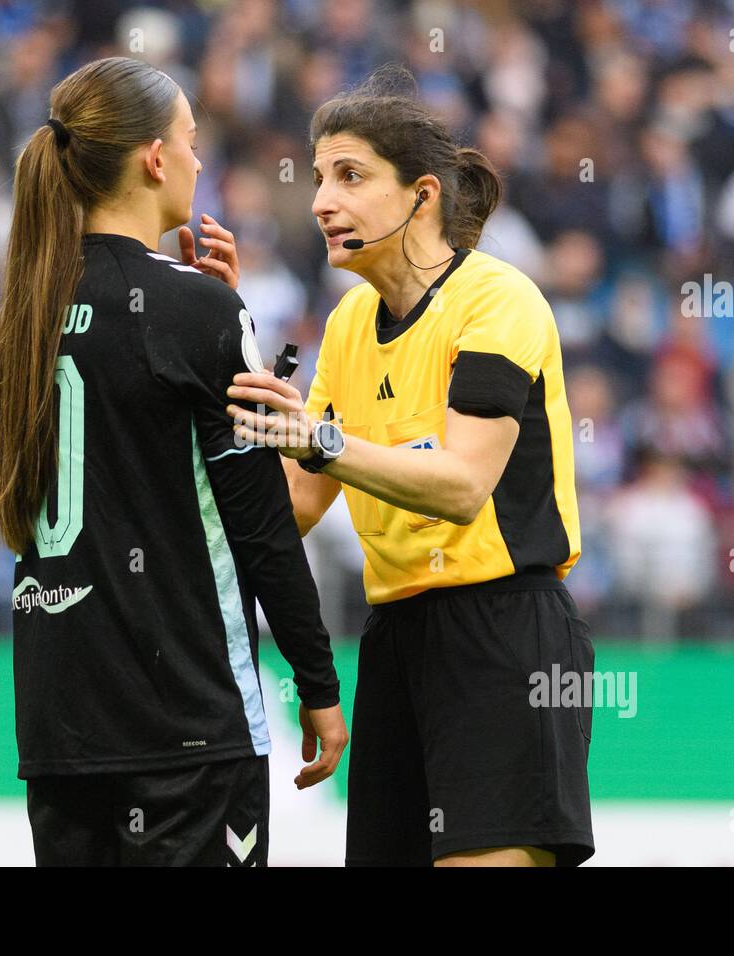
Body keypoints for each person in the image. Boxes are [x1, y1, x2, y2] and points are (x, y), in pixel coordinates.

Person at [0, 56, 346, 867]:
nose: (198, 159)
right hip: (186, 719)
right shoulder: (194, 310)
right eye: (190, 141)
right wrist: (317, 686)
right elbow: (259, 526)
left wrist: (224, 315)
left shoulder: (27, 308)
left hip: (60, 723)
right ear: (153, 158)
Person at [226, 67, 594, 866]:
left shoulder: (498, 299)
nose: (322, 199)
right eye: (320, 176)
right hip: (393, 639)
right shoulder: (351, 321)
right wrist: (224, 341)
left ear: (422, 196)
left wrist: (316, 440)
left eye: (350, 176)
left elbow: (464, 487)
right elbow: (293, 505)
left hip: (506, 635)